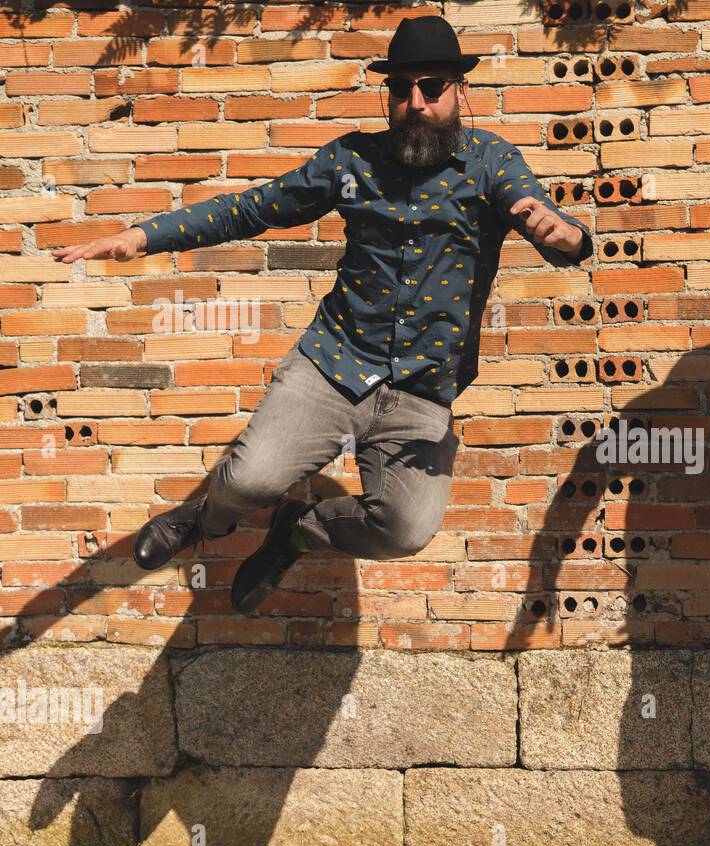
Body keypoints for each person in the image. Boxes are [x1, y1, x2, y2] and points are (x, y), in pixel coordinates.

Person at [53, 14, 592, 615]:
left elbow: (546, 222)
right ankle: (201, 520)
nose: (415, 103)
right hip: (334, 362)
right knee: (248, 481)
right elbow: (250, 210)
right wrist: (145, 237)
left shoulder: (493, 164)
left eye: (432, 88)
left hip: (421, 389)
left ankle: (297, 533)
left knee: (406, 529)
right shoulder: (351, 161)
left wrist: (567, 238)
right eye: (401, 89)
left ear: (461, 91)